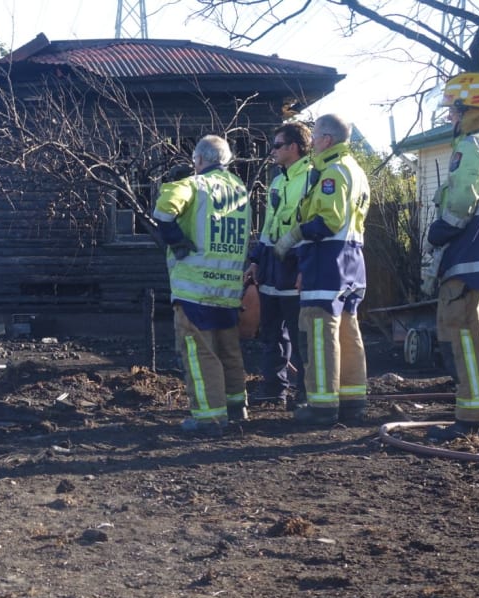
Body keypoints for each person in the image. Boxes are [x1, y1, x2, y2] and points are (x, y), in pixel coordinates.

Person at [423, 72, 479, 441]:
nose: (449, 117)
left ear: (468, 110)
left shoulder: (471, 146)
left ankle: (475, 418)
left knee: (460, 330)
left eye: (454, 111)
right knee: (469, 328)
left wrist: (442, 229)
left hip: (468, 245)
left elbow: (461, 199)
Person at [274, 114, 370, 425]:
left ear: (327, 139)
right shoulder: (355, 170)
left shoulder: (332, 172)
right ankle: (353, 400)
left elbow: (328, 220)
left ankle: (322, 405)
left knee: (319, 331)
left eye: (315, 136)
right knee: (348, 331)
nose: (312, 142)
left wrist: (293, 236)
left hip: (327, 258)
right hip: (352, 259)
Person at [152, 135, 250, 436]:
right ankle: (236, 407)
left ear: (199, 159)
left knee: (199, 353)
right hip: (228, 289)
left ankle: (209, 418)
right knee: (228, 350)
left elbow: (163, 212)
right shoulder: (239, 189)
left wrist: (176, 240)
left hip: (195, 288)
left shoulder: (194, 185)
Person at [244, 122, 312, 408]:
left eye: (277, 145)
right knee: (271, 333)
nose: (272, 151)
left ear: (293, 147)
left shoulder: (311, 178)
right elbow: (269, 224)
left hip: (296, 263)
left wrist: (305, 268)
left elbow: (310, 226)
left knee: (299, 335)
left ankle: (306, 394)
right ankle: (274, 389)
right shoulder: (277, 180)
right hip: (271, 265)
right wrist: (256, 260)